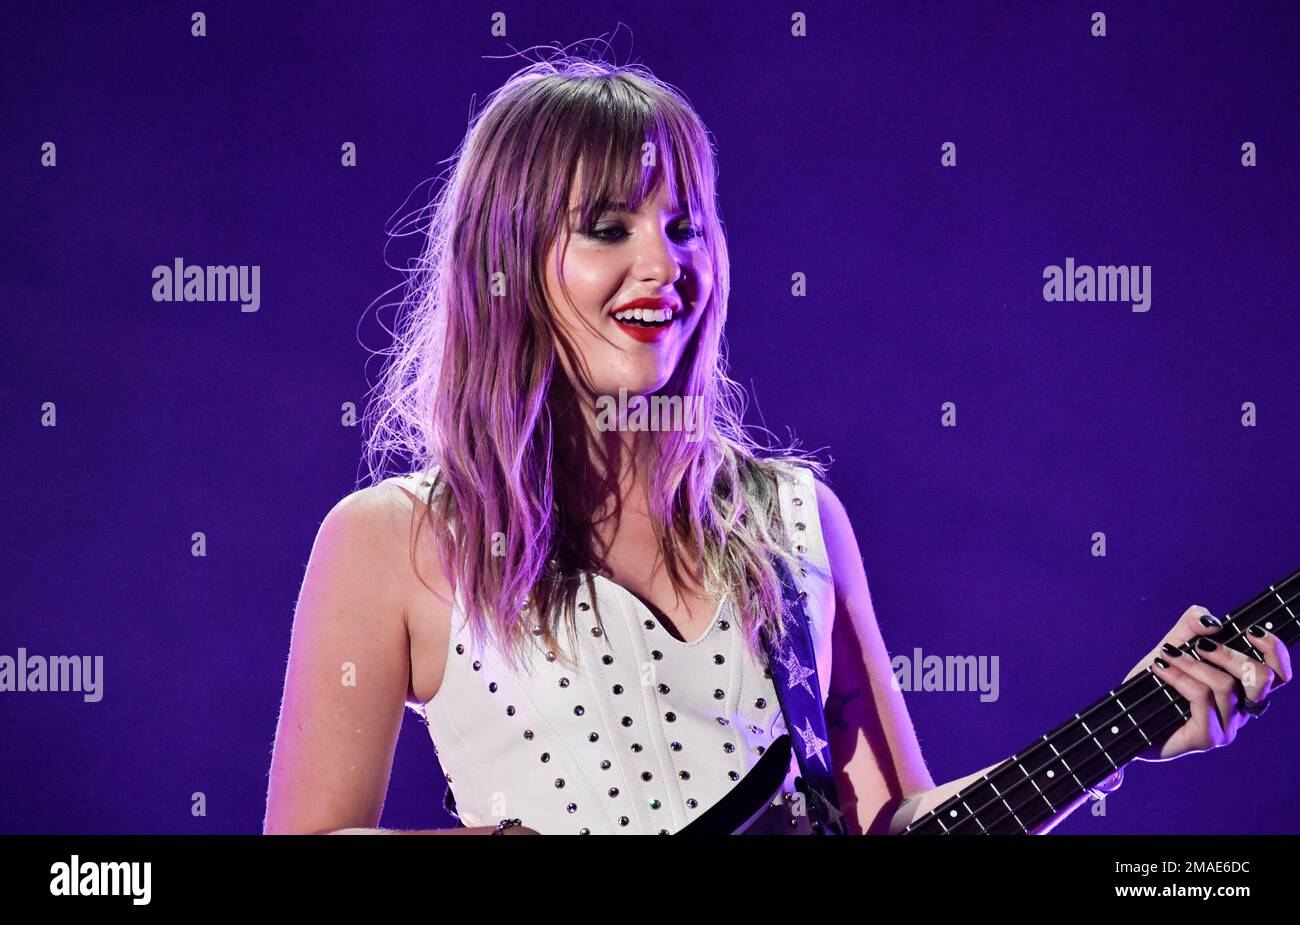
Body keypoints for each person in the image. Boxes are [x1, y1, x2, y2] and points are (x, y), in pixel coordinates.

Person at [262, 54, 1290, 836]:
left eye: (688, 224)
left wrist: (1129, 722)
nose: (664, 262)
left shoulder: (792, 518)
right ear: (510, 262)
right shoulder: (392, 539)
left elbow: (894, 820)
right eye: (609, 227)